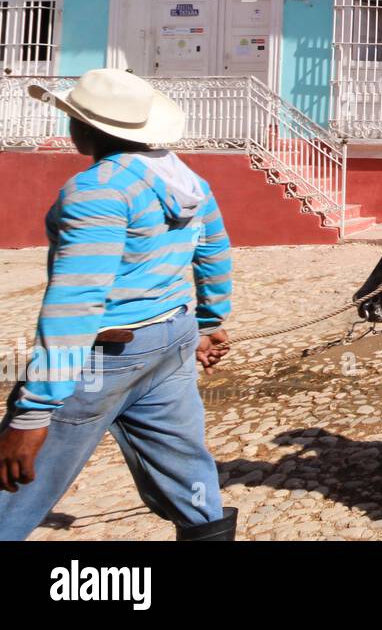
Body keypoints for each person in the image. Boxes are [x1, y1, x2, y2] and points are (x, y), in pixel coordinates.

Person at [0, 69, 237, 541]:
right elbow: (213, 251)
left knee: (16, 486)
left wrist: (32, 413)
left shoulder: (96, 190)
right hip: (171, 339)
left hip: (106, 354)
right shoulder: (185, 178)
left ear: (86, 129)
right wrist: (209, 323)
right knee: (186, 471)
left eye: (71, 118)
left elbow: (76, 300)